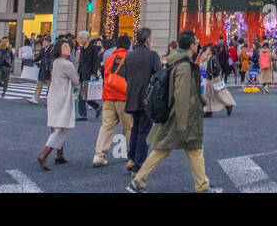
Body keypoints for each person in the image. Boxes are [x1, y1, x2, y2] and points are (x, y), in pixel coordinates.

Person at [127, 31, 222, 193]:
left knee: (185, 150)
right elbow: (182, 94)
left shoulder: (177, 61)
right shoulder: (184, 66)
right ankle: (138, 181)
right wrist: (183, 122)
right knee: (176, 150)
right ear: (191, 46)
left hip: (177, 116)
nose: (198, 44)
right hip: (182, 118)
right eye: (196, 42)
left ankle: (201, 185)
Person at [123, 27, 162, 176]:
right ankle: (138, 166)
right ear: (147, 39)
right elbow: (159, 76)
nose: (151, 40)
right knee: (144, 132)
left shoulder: (129, 56)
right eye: (150, 38)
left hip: (132, 96)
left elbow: (126, 76)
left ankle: (131, 159)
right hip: (147, 98)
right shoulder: (152, 56)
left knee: (135, 129)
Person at [37, 39, 80, 169]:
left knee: (56, 126)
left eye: (68, 46)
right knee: (62, 127)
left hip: (53, 95)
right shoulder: (67, 64)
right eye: (65, 47)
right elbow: (76, 81)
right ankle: (44, 154)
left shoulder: (55, 62)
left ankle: (59, 155)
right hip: (63, 97)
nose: (68, 48)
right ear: (59, 50)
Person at [93, 35, 134, 167]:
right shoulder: (130, 57)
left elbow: (106, 76)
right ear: (129, 45)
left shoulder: (109, 58)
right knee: (129, 127)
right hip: (124, 97)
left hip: (108, 96)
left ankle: (99, 155)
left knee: (107, 126)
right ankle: (131, 154)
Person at [76, 31, 102, 121]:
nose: (79, 40)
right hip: (82, 73)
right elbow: (81, 62)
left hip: (89, 74)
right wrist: (78, 72)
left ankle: (83, 115)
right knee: (85, 95)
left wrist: (94, 74)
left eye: (80, 38)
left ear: (86, 38)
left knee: (81, 95)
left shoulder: (92, 48)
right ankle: (97, 107)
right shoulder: (82, 48)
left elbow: (96, 62)